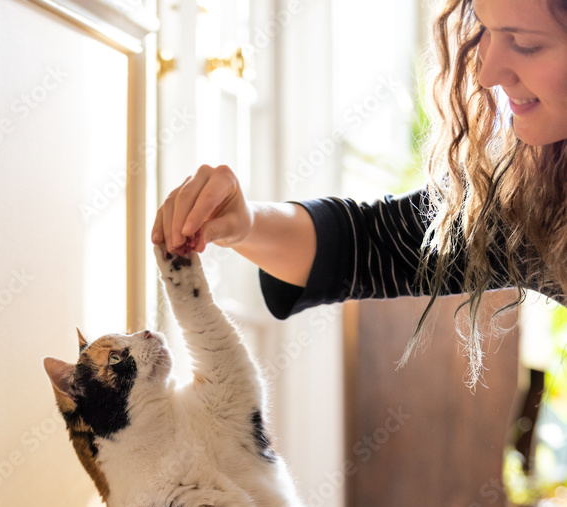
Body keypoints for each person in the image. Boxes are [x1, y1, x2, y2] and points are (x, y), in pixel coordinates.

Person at [152, 0, 567, 387]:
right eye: (485, 32)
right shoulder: (537, 196)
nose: (486, 73)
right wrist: (244, 223)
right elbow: (371, 244)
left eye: (526, 45)